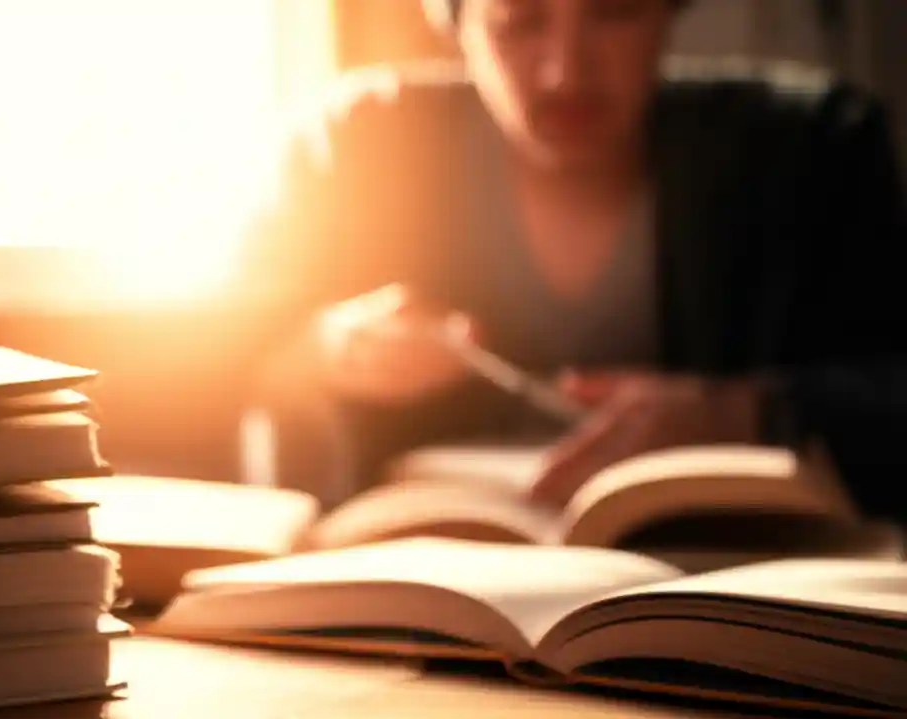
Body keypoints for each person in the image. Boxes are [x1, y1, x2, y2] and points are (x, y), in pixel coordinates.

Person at [241, 0, 907, 521]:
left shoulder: (814, 149)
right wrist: (328, 348)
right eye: (519, 19)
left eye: (616, 12)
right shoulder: (359, 146)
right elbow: (235, 357)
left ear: (670, 12)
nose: (566, 70)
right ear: (457, 24)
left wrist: (742, 413)